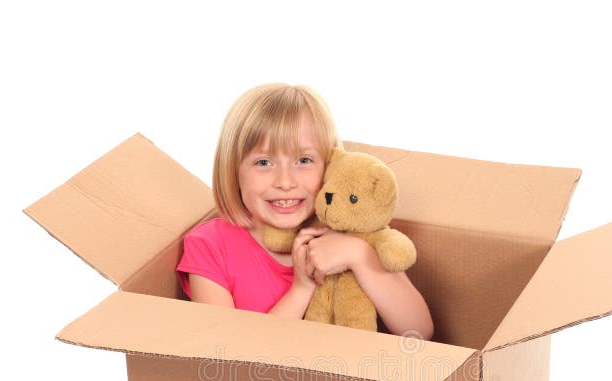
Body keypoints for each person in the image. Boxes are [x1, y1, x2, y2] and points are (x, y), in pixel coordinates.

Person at [175, 83, 434, 340]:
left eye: (304, 161)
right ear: (233, 171)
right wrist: (302, 288)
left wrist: (359, 255)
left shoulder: (351, 230)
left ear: (331, 166)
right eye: (263, 162)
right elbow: (225, 352)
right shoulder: (210, 245)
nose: (285, 182)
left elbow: (419, 331)